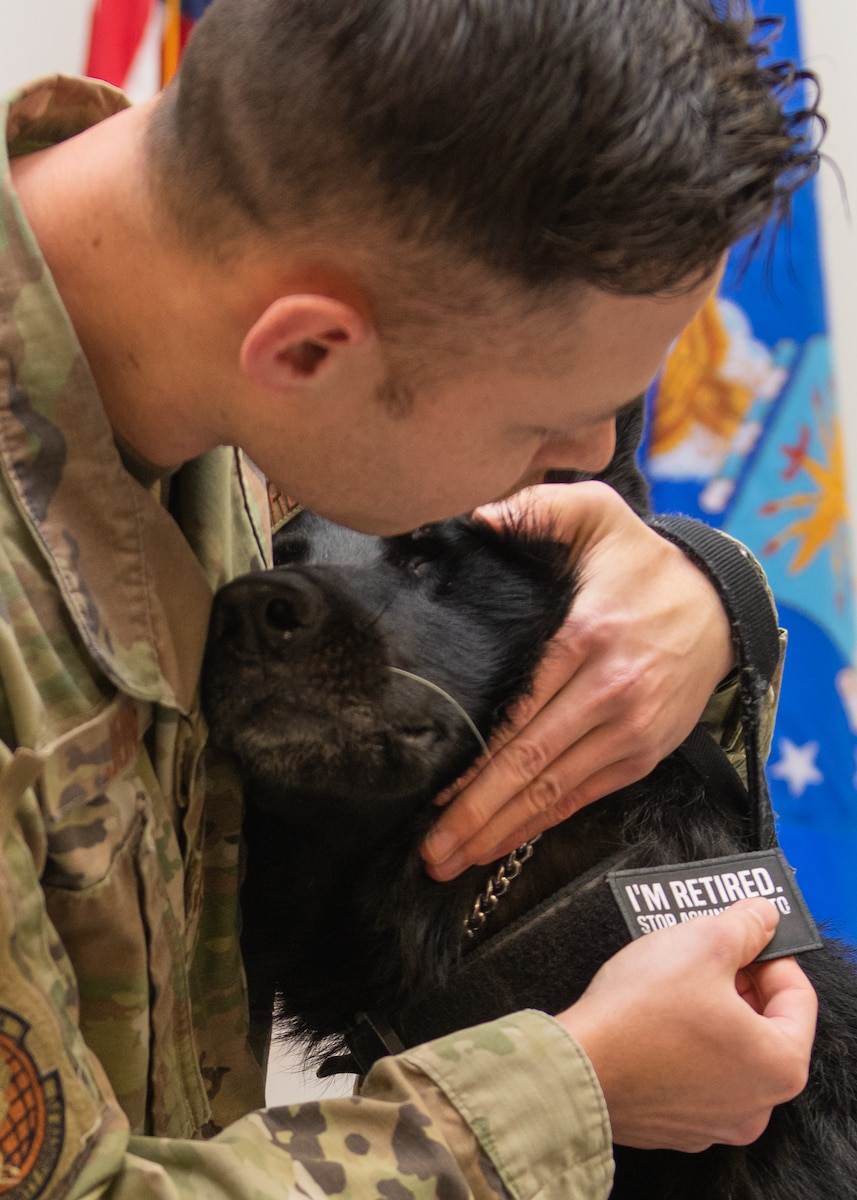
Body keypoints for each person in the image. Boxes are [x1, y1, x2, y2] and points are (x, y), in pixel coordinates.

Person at [0, 0, 821, 1196]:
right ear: (308, 353)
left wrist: (699, 591)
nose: (585, 463)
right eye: (542, 433)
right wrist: (568, 1091)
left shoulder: (195, 372)